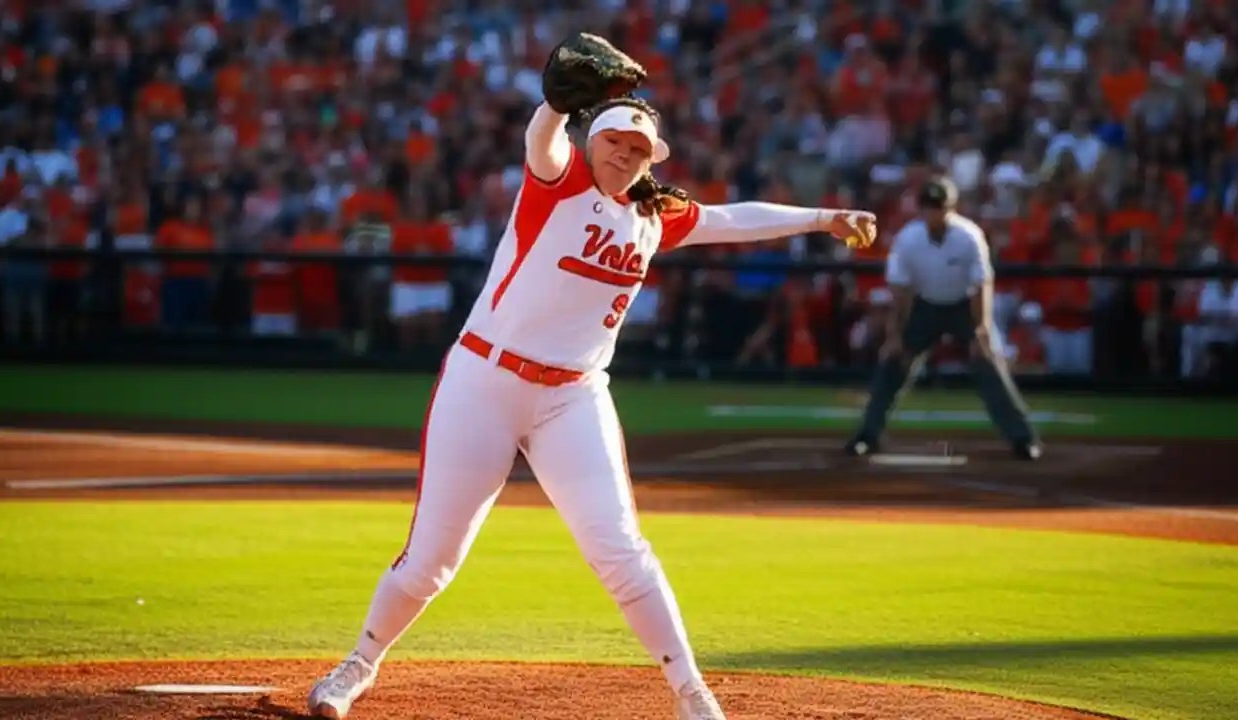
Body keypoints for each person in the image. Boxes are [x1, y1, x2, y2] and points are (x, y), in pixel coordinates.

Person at [306, 34, 877, 720]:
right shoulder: (560, 180)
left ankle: (691, 693)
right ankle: (358, 664)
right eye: (617, 144)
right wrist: (553, 104)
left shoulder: (651, 216)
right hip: (483, 383)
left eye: (639, 152)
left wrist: (825, 219)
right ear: (591, 140)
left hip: (571, 398)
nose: (627, 157)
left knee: (621, 551)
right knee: (432, 559)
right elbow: (539, 143)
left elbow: (730, 220)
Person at [844, 176, 1042, 460]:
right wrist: (896, 334)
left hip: (963, 306)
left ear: (951, 207)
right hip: (924, 305)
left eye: (940, 207)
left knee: (988, 365)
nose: (935, 213)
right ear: (920, 209)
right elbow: (901, 291)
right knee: (893, 364)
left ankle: (1023, 439)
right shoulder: (908, 239)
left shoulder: (968, 236)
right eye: (929, 206)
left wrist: (981, 330)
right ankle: (867, 435)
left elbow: (981, 285)